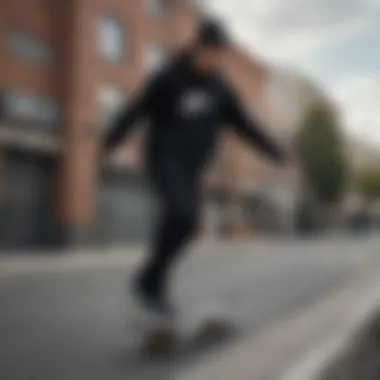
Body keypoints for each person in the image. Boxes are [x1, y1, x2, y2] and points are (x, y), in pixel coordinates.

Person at [102, 18, 287, 319]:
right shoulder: (169, 77)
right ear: (198, 48)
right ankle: (151, 285)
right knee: (180, 212)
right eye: (213, 54)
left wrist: (274, 150)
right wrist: (112, 139)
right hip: (164, 159)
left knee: (189, 226)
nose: (217, 61)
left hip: (192, 167)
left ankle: (149, 281)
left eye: (222, 55)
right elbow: (137, 107)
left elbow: (244, 124)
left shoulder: (221, 89)